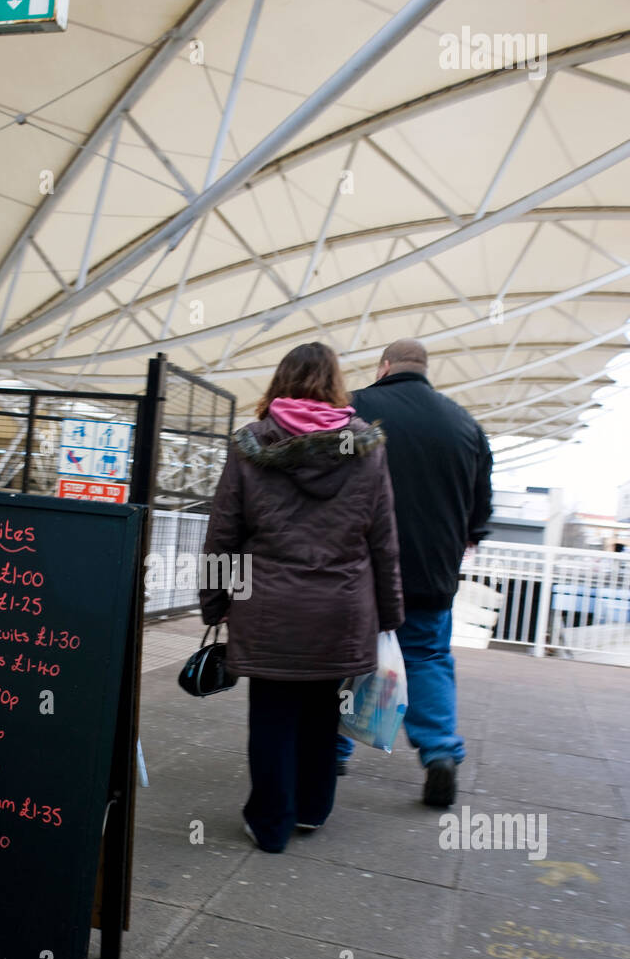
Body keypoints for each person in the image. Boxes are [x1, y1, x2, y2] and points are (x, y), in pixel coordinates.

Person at [198, 342, 404, 854]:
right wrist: (390, 612)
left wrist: (215, 601)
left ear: (279, 381)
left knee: (270, 716)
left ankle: (270, 825)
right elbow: (383, 537)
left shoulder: (251, 442)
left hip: (267, 607)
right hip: (342, 608)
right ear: (335, 384)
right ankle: (312, 810)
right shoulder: (366, 446)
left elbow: (224, 530)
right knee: (321, 714)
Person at [352, 339, 492, 807]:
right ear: (425, 370)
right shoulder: (465, 424)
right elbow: (479, 515)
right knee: (427, 657)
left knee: (345, 655)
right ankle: (439, 754)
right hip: (431, 571)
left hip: (360, 564)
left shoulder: (355, 407)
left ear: (384, 366)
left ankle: (330, 750)